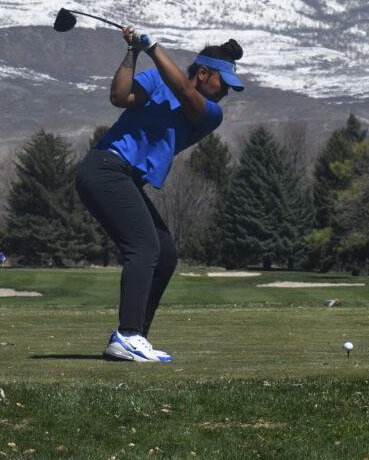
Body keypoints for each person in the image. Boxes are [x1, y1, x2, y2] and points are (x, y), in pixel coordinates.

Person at [75, 27, 244, 363]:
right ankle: (128, 336)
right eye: (223, 83)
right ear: (204, 73)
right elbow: (119, 97)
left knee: (164, 255)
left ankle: (135, 337)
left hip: (123, 178)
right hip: (105, 168)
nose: (226, 91)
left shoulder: (210, 113)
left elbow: (182, 88)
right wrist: (133, 52)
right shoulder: (154, 80)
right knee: (144, 247)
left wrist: (152, 47)